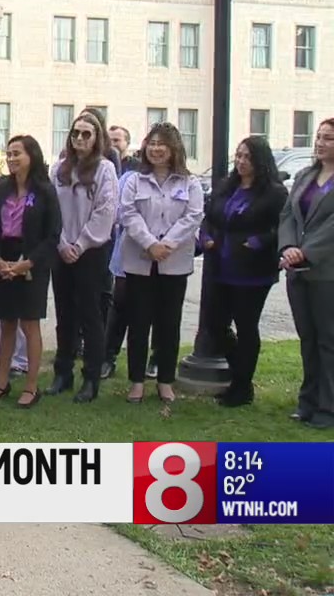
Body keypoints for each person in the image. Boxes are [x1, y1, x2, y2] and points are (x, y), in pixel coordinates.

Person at [118, 123, 203, 404]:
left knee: (169, 324)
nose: (155, 149)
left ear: (174, 148)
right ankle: (137, 381)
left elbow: (193, 216)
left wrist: (167, 244)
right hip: (140, 262)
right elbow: (127, 213)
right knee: (139, 323)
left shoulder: (189, 183)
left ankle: (166, 381)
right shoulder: (134, 180)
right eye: (151, 143)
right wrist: (150, 244)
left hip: (173, 263)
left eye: (161, 144)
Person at [200, 137, 286, 408]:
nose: (241, 161)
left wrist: (258, 241)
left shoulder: (274, 192)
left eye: (247, 157)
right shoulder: (227, 186)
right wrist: (205, 236)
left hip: (252, 271)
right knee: (215, 325)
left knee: (246, 327)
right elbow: (209, 216)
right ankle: (241, 376)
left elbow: (282, 227)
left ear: (260, 160)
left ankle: (240, 386)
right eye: (238, 156)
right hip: (220, 265)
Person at [0, 135, 61, 409]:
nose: (12, 158)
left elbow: (53, 235)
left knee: (29, 323)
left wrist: (28, 263)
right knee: (7, 323)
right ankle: (1, 381)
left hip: (32, 263)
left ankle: (32, 386)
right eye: (9, 153)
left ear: (31, 156)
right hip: (3, 258)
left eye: (17, 154)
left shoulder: (45, 191)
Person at [47, 111, 119, 403]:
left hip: (91, 251)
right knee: (64, 314)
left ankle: (91, 378)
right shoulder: (59, 169)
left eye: (86, 134)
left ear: (97, 137)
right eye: (76, 133)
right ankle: (63, 373)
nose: (79, 138)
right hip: (62, 249)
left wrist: (82, 243)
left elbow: (106, 210)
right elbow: (51, 209)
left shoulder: (105, 170)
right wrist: (63, 243)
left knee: (90, 315)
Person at [279, 117, 334, 428]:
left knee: (328, 340)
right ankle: (307, 401)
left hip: (326, 272)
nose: (321, 142)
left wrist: (306, 251)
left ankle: (328, 406)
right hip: (296, 272)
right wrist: (288, 247)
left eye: (328, 138)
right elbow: (288, 215)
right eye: (319, 137)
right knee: (308, 339)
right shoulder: (304, 176)